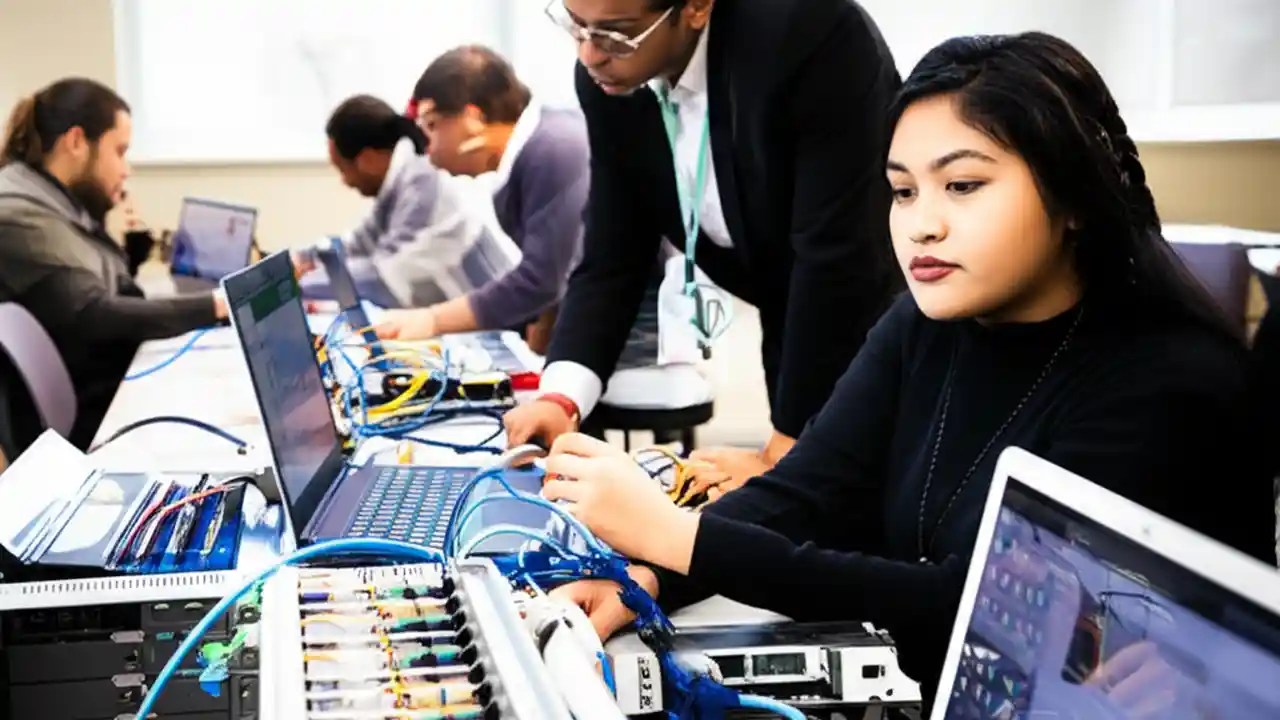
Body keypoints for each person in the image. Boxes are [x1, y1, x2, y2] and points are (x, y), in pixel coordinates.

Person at [539, 32, 1277, 707]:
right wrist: (647, 578)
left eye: (963, 186)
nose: (922, 223)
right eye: (902, 190)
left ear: (1074, 196)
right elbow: (804, 494)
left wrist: (675, 537)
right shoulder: (923, 325)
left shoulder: (1168, 384)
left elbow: (984, 615)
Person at [502, 0, 902, 481]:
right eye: (576, 26)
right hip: (788, 315)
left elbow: (839, 256)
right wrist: (560, 397)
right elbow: (613, 254)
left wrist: (790, 444)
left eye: (616, 33)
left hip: (880, 327)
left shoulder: (809, 32)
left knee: (861, 490)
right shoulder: (611, 77)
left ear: (695, 7)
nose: (589, 55)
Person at [0, 78, 226, 449]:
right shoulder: (16, 211)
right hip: (83, 426)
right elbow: (94, 313)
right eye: (119, 151)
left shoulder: (52, 199)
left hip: (100, 391)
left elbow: (97, 287)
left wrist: (123, 245)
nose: (126, 169)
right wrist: (216, 305)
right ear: (76, 142)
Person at [373, 45, 588, 354]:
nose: (428, 150)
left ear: (472, 118)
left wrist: (431, 320)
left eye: (431, 126)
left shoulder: (554, 149)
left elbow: (541, 280)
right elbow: (563, 266)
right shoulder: (537, 148)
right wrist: (546, 323)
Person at [296, 94, 489, 309]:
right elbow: (358, 243)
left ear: (368, 159)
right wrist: (301, 259)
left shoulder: (421, 184)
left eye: (343, 170)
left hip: (492, 319)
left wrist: (295, 286)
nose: (345, 182)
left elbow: (383, 278)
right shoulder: (400, 183)